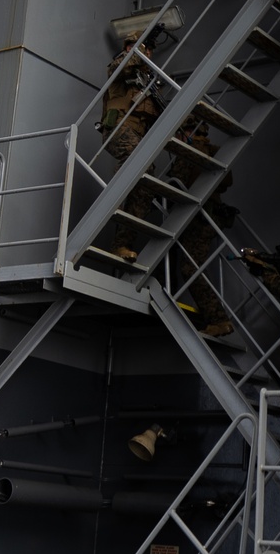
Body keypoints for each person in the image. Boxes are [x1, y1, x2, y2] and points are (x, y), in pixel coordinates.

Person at [168, 114, 235, 337]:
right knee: (175, 256)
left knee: (189, 269)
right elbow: (226, 183)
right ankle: (167, 293)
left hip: (196, 218)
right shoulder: (215, 152)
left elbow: (176, 183)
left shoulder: (189, 152)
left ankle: (218, 320)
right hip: (208, 216)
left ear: (186, 132)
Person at [98, 34, 162, 263]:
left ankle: (122, 244)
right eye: (143, 47)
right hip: (118, 129)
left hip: (139, 135)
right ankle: (116, 193)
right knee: (136, 160)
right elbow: (123, 65)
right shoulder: (120, 66)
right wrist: (136, 51)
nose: (147, 52)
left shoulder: (149, 80)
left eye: (149, 49)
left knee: (146, 182)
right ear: (129, 47)